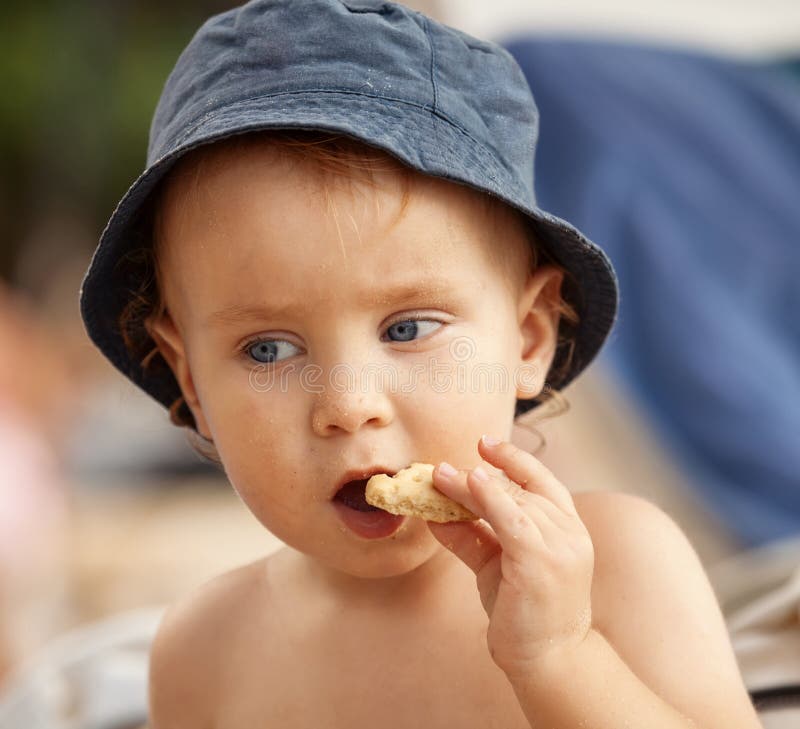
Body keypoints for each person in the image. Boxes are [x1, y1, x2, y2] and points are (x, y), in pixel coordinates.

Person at [78, 1, 762, 727]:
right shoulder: (201, 651)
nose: (347, 403)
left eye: (406, 327)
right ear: (191, 380)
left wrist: (563, 654)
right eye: (267, 348)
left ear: (528, 339)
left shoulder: (620, 565)